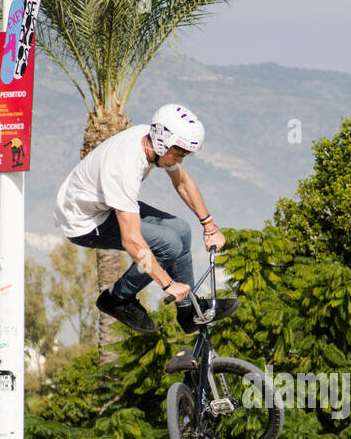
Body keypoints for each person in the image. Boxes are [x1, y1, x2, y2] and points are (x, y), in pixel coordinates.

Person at [54, 104, 236, 337]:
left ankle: (188, 312)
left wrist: (208, 225)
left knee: (181, 230)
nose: (179, 161)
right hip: (83, 222)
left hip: (104, 205)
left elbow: (182, 183)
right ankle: (117, 299)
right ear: (162, 143)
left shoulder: (153, 138)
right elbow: (131, 241)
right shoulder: (125, 167)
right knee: (168, 244)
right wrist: (168, 285)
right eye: (178, 154)